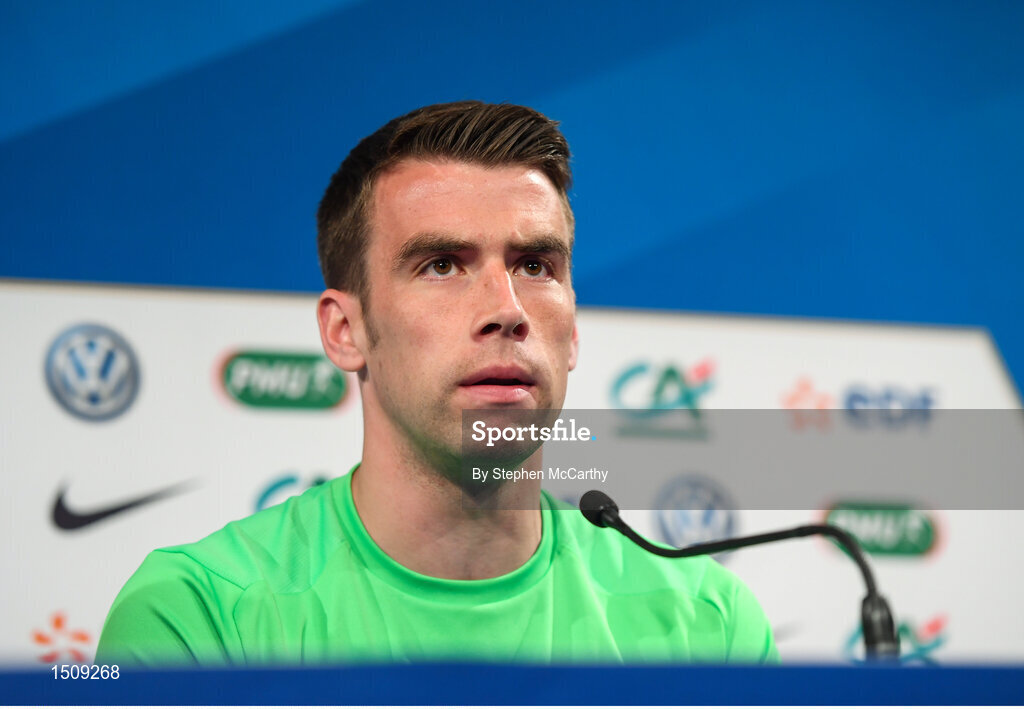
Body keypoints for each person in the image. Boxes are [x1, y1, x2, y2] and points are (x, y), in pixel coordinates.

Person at [96, 101, 778, 666]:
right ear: (344, 330)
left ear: (572, 332)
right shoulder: (198, 619)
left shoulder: (709, 630)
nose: (507, 309)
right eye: (443, 264)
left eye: (536, 265)